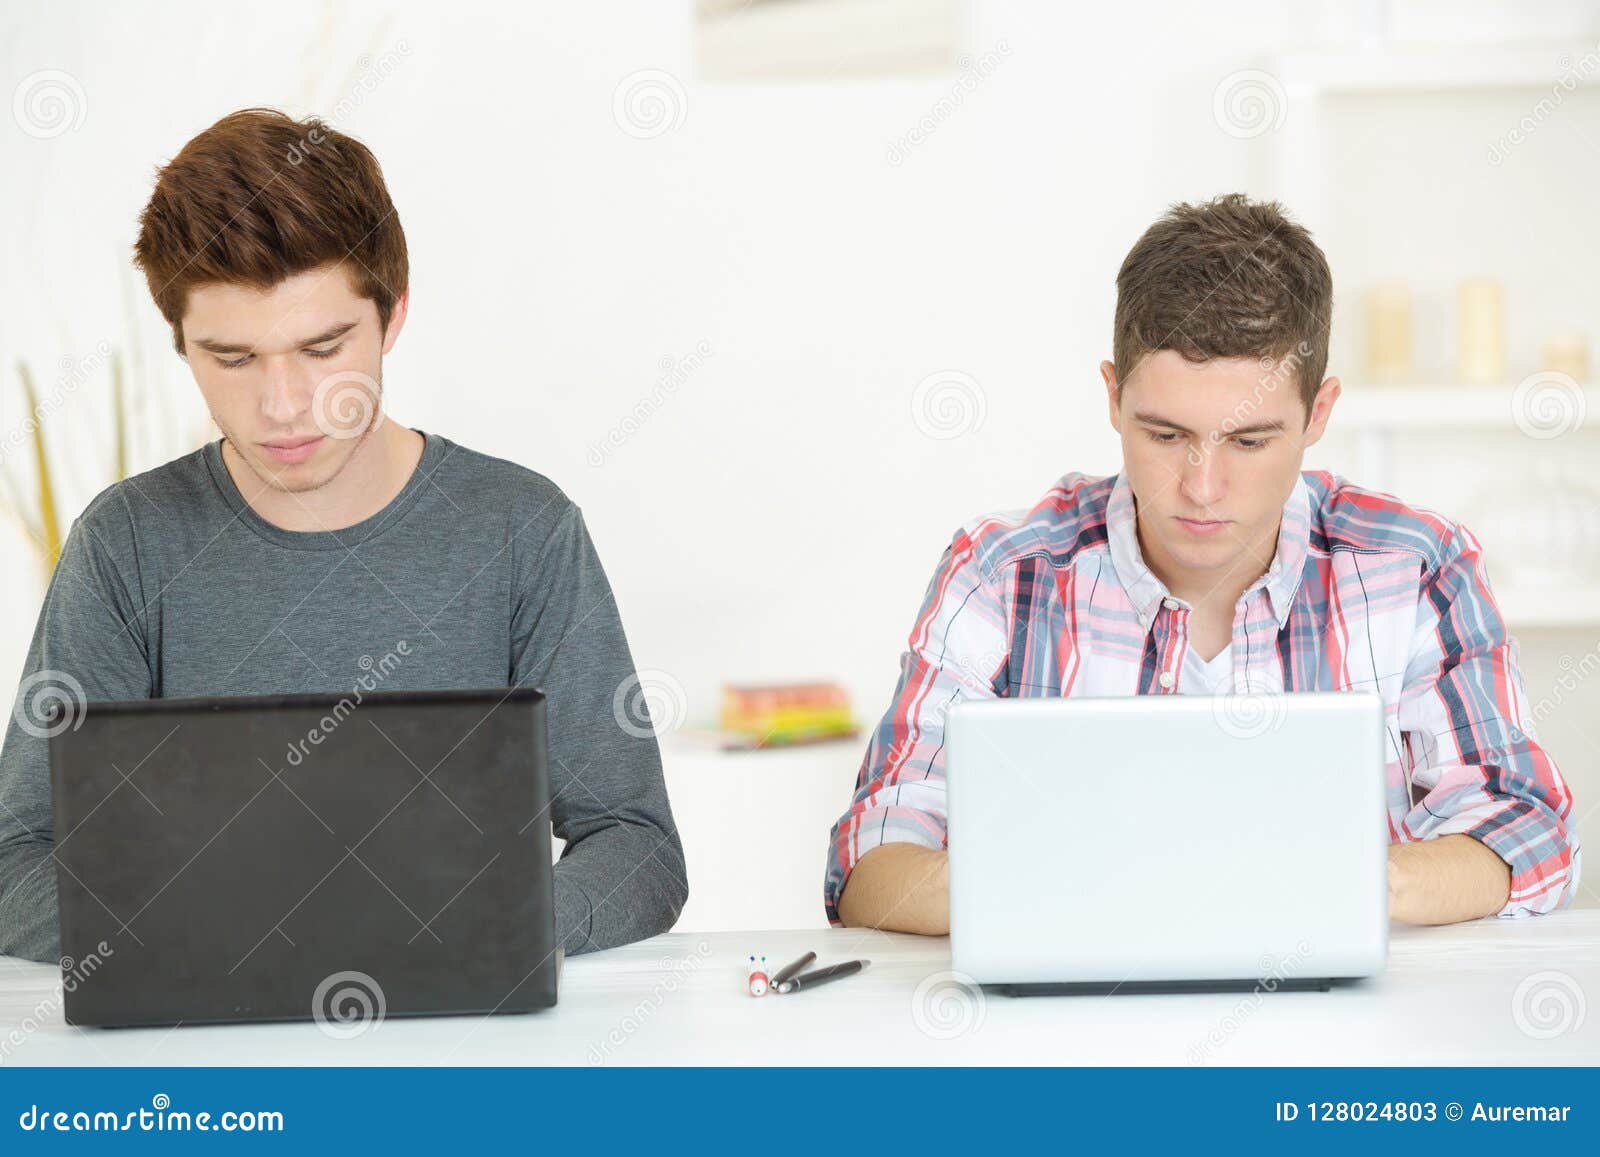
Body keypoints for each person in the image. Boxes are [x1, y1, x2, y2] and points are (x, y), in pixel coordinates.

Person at [0, 108, 686, 962]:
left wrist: (460, 937)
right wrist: (234, 950)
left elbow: (636, 848)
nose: (284, 406)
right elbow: (19, 862)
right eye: (233, 358)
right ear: (179, 343)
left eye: (323, 347)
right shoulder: (125, 546)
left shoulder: (523, 532)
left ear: (392, 315)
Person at [827, 194, 1579, 934]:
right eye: (1164, 435)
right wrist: (1124, 892)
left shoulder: (1415, 569)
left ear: (1319, 414)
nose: (1202, 487)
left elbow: (1526, 833)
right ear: (1113, 397)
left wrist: (1345, 880)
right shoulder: (1000, 574)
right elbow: (870, 869)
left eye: (1249, 441)